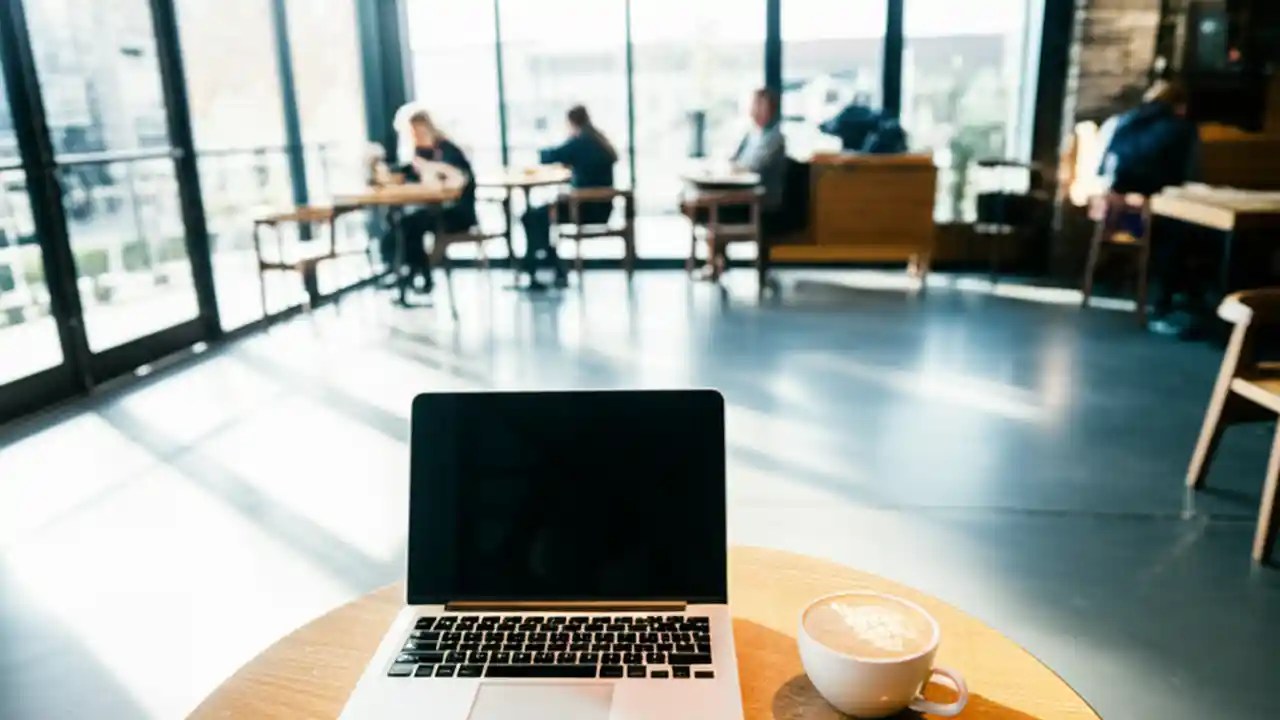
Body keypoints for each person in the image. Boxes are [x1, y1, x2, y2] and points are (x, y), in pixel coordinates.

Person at [1095, 80, 1203, 335]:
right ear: (1180, 106)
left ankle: (1165, 296)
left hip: (1119, 220)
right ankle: (1173, 305)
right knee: (1189, 235)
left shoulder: (1122, 122)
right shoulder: (1181, 130)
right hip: (1152, 223)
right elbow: (1189, 179)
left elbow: (1103, 170)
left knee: (1172, 235)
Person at [520, 105, 618, 290]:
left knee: (532, 216)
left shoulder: (581, 141)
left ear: (571, 122)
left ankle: (539, 266)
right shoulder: (597, 139)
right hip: (599, 207)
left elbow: (548, 156)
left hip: (584, 207)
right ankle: (550, 265)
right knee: (538, 216)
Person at [387, 104, 477, 295]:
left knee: (410, 223)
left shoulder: (447, 151)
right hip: (435, 210)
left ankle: (416, 274)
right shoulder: (419, 154)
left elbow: (458, 182)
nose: (415, 136)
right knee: (403, 223)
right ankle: (417, 273)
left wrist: (432, 170)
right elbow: (410, 176)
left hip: (458, 213)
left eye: (417, 130)